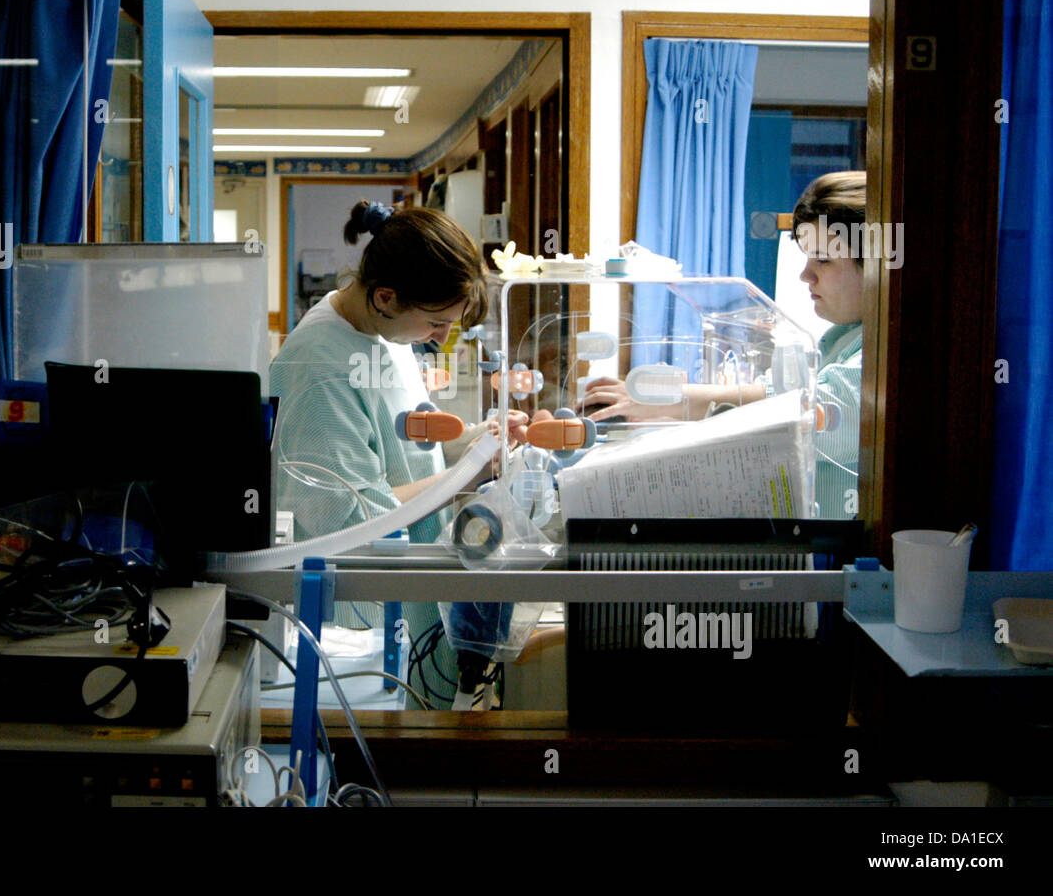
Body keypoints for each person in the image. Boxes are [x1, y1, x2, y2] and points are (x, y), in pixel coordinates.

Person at [270, 200, 529, 707]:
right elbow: (353, 522)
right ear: (385, 296)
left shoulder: (383, 332)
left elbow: (408, 446)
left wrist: (478, 439)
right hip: (358, 630)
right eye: (437, 323)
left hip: (409, 598)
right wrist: (468, 473)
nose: (442, 338)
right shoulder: (320, 369)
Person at [580, 171, 866, 518]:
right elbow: (778, 395)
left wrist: (674, 401)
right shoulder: (842, 338)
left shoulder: (884, 357)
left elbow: (801, 408)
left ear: (878, 265)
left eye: (823, 259)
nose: (806, 275)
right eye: (807, 258)